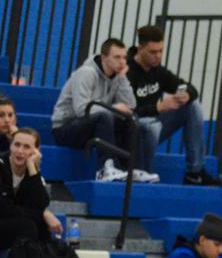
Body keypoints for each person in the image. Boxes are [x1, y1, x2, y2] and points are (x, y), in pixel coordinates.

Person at [127, 23, 222, 187]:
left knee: (193, 107)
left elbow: (191, 88)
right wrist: (158, 108)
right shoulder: (127, 73)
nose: (158, 56)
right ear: (140, 48)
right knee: (151, 125)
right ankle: (146, 175)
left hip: (154, 125)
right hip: (131, 129)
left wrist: (186, 95)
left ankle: (195, 172)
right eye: (153, 52)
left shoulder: (159, 72)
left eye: (161, 51)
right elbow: (126, 112)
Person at [50, 39, 155, 182]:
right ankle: (105, 169)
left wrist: (123, 78)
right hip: (66, 128)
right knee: (105, 116)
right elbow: (82, 110)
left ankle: (134, 169)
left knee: (131, 121)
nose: (122, 62)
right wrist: (113, 109)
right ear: (104, 57)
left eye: (124, 57)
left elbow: (131, 105)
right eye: (117, 57)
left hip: (94, 125)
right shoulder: (86, 73)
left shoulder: (117, 77)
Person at [0, 105, 61, 244]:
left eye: (27, 147)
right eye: (17, 145)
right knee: (28, 225)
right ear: (10, 146)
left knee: (41, 227)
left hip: (10, 227)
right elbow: (4, 208)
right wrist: (43, 213)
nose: (20, 151)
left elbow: (42, 202)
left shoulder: (31, 170)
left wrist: (33, 168)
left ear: (35, 152)